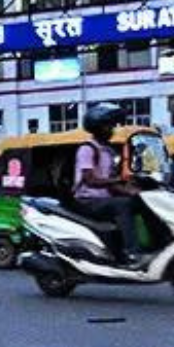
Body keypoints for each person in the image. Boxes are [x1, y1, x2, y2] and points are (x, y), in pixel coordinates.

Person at [72, 103, 141, 265]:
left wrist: (132, 191)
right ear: (97, 128)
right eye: (108, 126)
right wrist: (118, 181)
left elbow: (109, 184)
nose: (111, 130)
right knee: (122, 205)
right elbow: (91, 180)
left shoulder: (107, 152)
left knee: (140, 202)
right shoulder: (87, 149)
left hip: (102, 201)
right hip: (86, 201)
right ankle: (133, 252)